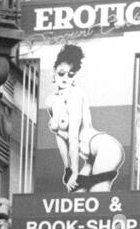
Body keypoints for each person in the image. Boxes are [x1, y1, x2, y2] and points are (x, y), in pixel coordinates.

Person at [46, 43, 125, 193]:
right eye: (61, 73)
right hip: (90, 158)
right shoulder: (51, 101)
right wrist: (68, 170)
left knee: (98, 193)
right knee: (76, 195)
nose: (65, 78)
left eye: (70, 74)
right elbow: (60, 137)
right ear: (54, 72)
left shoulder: (76, 95)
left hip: (105, 148)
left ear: (75, 76)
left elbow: (73, 137)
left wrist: (75, 173)